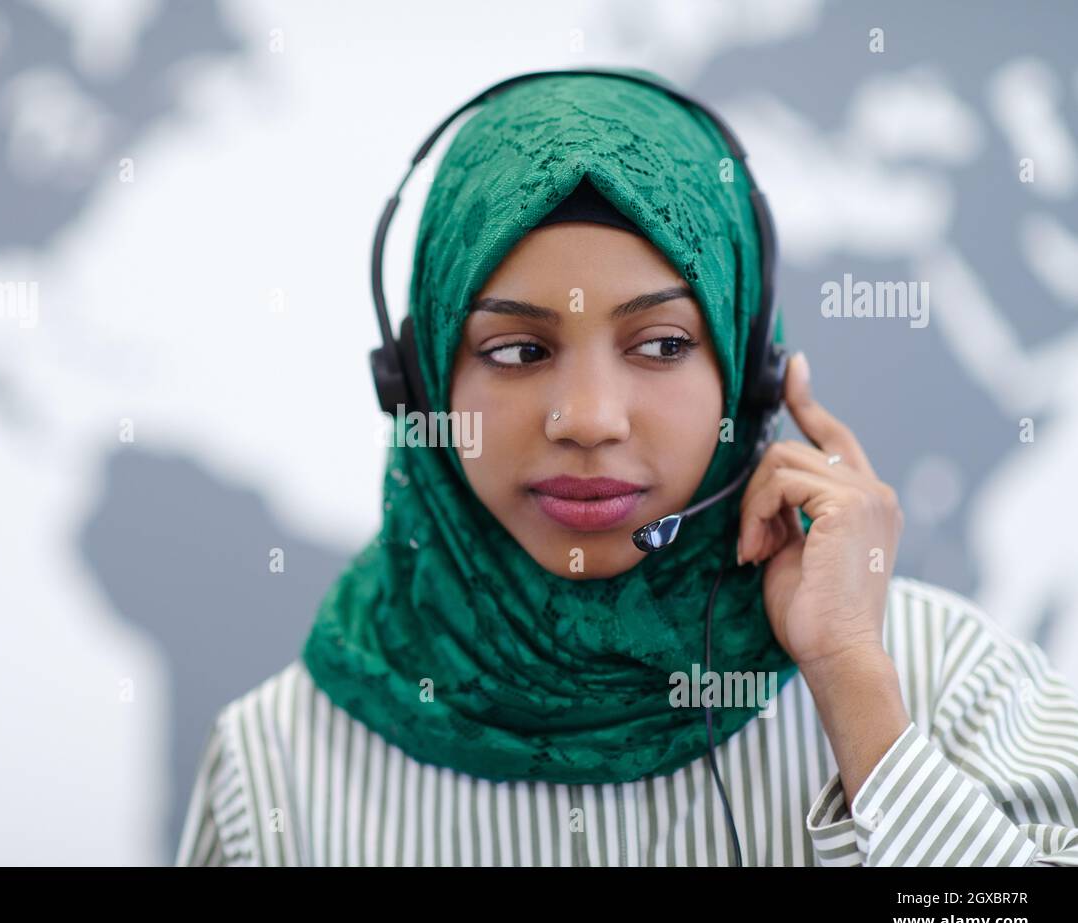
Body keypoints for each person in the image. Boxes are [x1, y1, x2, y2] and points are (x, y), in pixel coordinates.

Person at [176, 68, 1078, 866]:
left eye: (660, 342)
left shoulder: (947, 682)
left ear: (753, 374)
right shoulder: (277, 769)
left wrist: (855, 692)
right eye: (519, 351)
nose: (589, 421)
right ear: (419, 385)